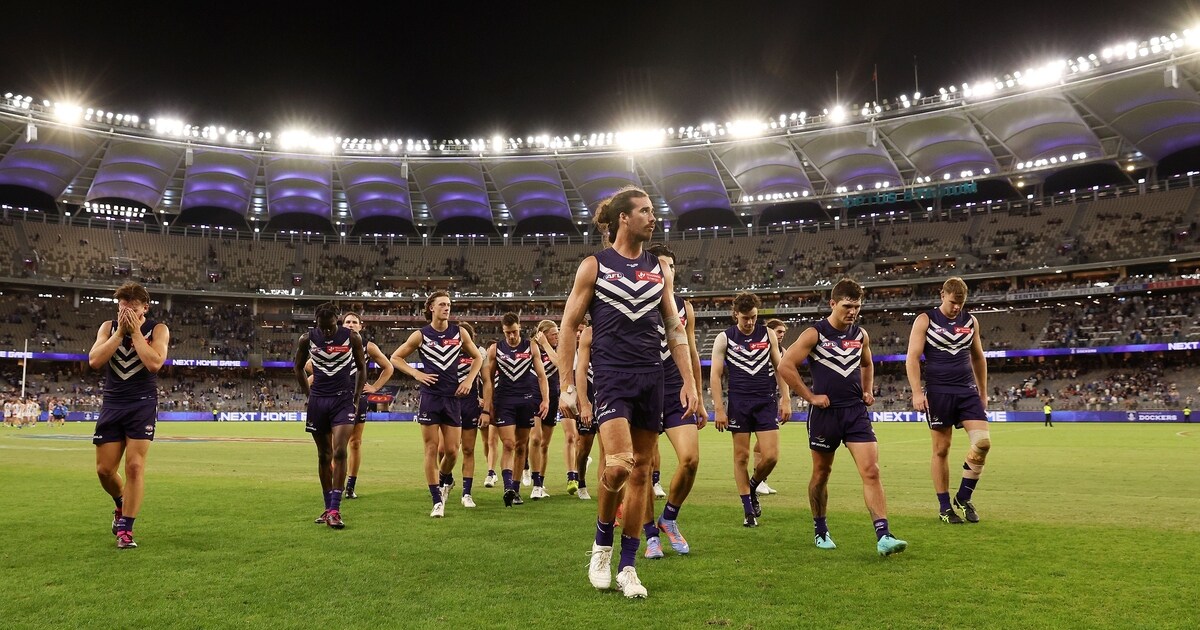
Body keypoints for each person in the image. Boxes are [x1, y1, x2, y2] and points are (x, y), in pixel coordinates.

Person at [556, 185, 701, 598]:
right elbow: (568, 326)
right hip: (612, 377)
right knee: (619, 465)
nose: (653, 218)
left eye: (653, 211)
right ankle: (602, 547)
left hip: (651, 378)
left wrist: (689, 382)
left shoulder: (659, 269)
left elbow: (674, 328)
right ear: (623, 217)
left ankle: (628, 566)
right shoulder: (595, 266)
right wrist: (567, 386)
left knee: (641, 473)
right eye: (645, 211)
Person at [777, 278, 908, 557]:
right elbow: (785, 366)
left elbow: (867, 363)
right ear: (833, 303)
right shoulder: (815, 334)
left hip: (855, 412)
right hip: (825, 415)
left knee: (871, 471)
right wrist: (810, 396)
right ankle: (820, 529)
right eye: (847, 306)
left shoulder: (860, 335)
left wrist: (868, 390)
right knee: (821, 473)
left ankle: (884, 535)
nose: (852, 312)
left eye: (857, 306)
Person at [87, 281, 170, 549]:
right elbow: (95, 361)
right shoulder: (108, 327)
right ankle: (120, 503)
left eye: (133, 308)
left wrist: (134, 334)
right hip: (113, 402)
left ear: (145, 307)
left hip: (141, 404)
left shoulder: (158, 329)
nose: (126, 312)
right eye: (123, 307)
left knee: (134, 466)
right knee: (104, 470)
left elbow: (154, 363)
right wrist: (120, 333)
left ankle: (126, 530)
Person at [390, 292, 484, 518]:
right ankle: (436, 501)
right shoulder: (421, 335)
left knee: (452, 451)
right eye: (442, 304)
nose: (447, 308)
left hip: (452, 398)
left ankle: (444, 480)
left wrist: (468, 381)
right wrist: (416, 374)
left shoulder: (459, 333)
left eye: (449, 304)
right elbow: (395, 357)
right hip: (430, 398)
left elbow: (478, 358)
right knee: (431, 450)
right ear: (431, 307)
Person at [906, 277, 990, 525]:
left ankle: (963, 497)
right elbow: (912, 358)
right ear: (942, 295)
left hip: (967, 391)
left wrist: (983, 392)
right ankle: (945, 507)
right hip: (939, 392)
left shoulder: (971, 321)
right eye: (953, 302)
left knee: (983, 443)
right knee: (941, 450)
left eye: (960, 303)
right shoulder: (926, 320)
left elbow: (978, 358)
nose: (956, 307)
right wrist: (917, 392)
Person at [642, 242, 706, 558]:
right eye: (661, 264)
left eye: (670, 265)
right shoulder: (637, 301)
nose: (667, 270)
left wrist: (698, 394)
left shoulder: (684, 307)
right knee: (641, 468)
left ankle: (668, 517)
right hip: (643, 390)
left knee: (690, 459)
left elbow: (691, 351)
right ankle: (649, 535)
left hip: (675, 391)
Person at [711, 292, 790, 528]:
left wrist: (786, 398)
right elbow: (715, 375)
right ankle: (748, 510)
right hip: (739, 403)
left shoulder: (767, 334)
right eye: (746, 318)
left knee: (771, 456)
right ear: (736, 315)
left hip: (765, 401)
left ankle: (753, 486)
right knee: (741, 457)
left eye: (754, 317)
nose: (750, 322)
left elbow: (780, 368)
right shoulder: (724, 338)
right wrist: (719, 409)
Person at [294, 302, 366, 529]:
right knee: (324, 455)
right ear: (316, 323)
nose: (326, 331)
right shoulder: (307, 339)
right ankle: (327, 508)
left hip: (343, 399)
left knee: (340, 451)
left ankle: (335, 509)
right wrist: (309, 394)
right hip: (319, 400)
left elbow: (362, 367)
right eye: (322, 327)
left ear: (338, 320)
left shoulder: (351, 337)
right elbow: (297, 367)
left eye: (330, 327)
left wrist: (356, 397)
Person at [341, 312, 395, 500]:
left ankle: (350, 486)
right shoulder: (332, 344)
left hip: (358, 399)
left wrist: (375, 387)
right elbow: (310, 365)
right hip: (336, 398)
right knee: (336, 445)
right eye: (347, 322)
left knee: (355, 443)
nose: (350, 324)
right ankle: (336, 484)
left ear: (360, 326)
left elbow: (389, 367)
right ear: (342, 325)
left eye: (354, 322)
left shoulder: (368, 346)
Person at [452, 321, 487, 508]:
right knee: (446, 450)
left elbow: (486, 380)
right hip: (449, 403)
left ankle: (466, 493)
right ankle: (446, 479)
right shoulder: (448, 351)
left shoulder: (479, 353)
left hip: (470, 404)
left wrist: (485, 406)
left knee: (468, 449)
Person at [756, 318, 791, 495]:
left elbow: (785, 373)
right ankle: (756, 482)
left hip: (770, 398)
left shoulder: (782, 351)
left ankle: (760, 480)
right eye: (779, 331)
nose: (782, 335)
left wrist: (785, 397)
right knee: (760, 445)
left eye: (783, 332)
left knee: (762, 445)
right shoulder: (760, 348)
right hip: (754, 398)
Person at [530, 320, 562, 499]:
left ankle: (540, 482)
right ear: (543, 334)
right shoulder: (532, 349)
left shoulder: (557, 349)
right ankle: (534, 480)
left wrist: (547, 345)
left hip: (553, 397)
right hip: (533, 396)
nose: (557, 336)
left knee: (544, 444)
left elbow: (559, 364)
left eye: (557, 333)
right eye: (553, 334)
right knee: (535, 438)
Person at [573, 323, 598, 501]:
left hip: (606, 403)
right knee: (584, 449)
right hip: (585, 404)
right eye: (576, 331)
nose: (578, 334)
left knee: (608, 450)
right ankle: (581, 482)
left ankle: (608, 486)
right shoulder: (572, 353)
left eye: (581, 331)